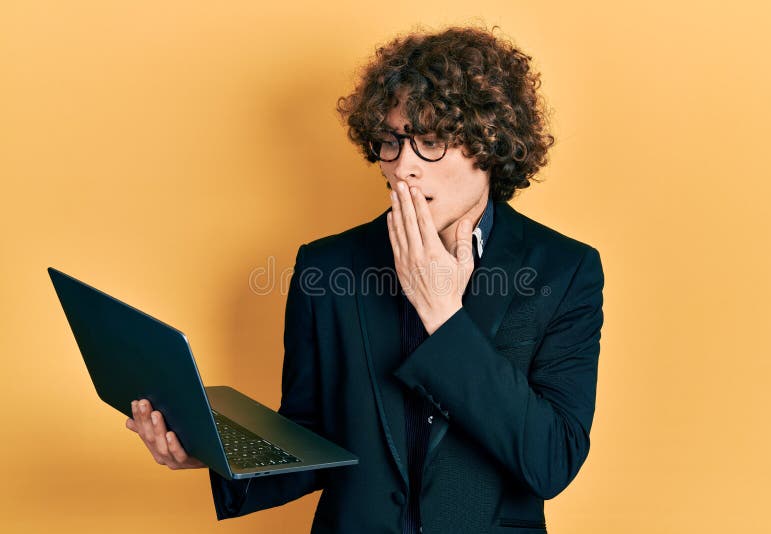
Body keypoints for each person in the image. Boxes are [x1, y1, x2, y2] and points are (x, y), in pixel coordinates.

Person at [126, 26, 604, 534]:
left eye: (431, 142)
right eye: (391, 143)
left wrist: (443, 314)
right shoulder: (326, 266)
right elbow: (314, 438)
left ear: (491, 143)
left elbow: (551, 460)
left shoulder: (565, 270)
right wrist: (209, 451)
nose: (403, 168)